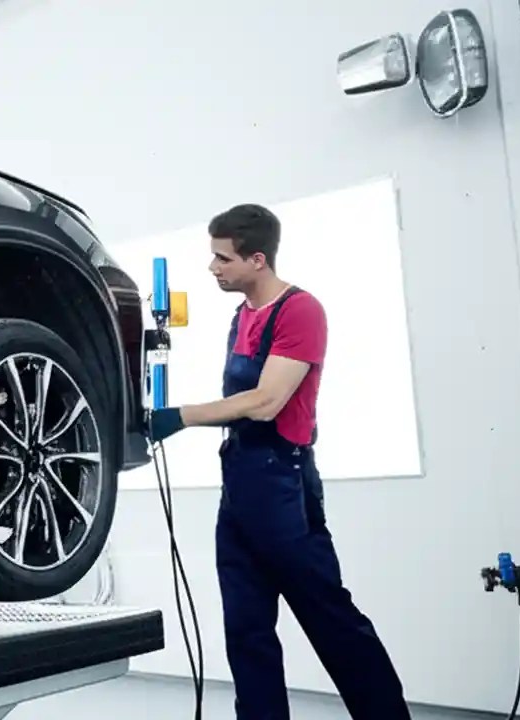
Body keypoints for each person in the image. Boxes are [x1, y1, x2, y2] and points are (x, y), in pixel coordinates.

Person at [147, 204, 410, 719]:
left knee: (331, 619)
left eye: (223, 258)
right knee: (247, 629)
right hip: (239, 487)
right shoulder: (241, 316)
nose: (213, 268)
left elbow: (266, 402)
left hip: (283, 487)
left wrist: (178, 417)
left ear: (258, 260)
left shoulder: (300, 311)